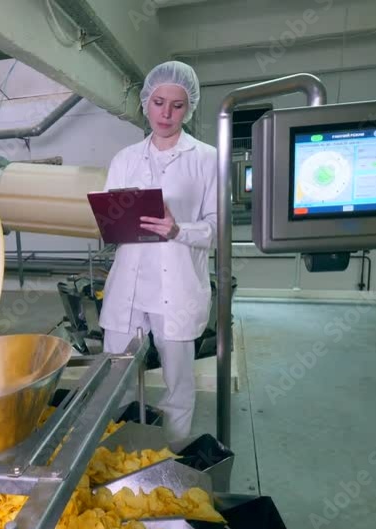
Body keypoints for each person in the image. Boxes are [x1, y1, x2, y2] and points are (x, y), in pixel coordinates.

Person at [98, 61, 218, 444]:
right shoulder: (125, 159)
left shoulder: (207, 159)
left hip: (177, 289)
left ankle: (170, 456)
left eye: (177, 105)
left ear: (189, 108)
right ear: (146, 102)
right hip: (129, 284)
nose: (166, 114)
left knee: (177, 383)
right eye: (158, 102)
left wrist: (178, 229)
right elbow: (111, 215)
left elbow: (218, 229)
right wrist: (110, 220)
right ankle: (119, 453)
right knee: (117, 377)